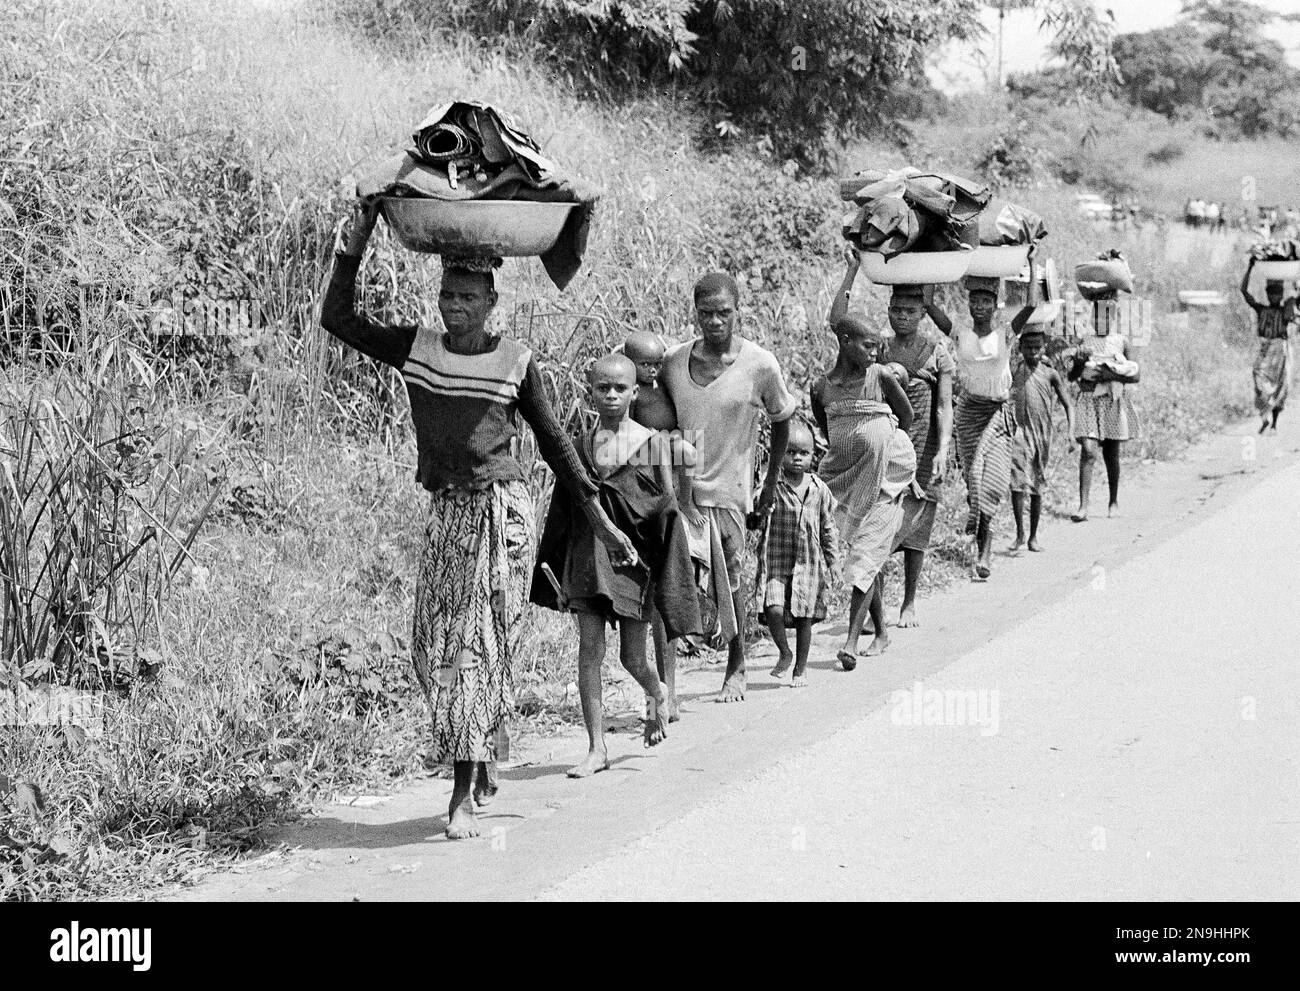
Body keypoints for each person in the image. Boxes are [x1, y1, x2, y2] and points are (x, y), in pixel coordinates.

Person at [321, 202, 638, 839]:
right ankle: (484, 735)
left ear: (491, 300)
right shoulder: (418, 348)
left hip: (500, 515)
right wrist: (352, 246)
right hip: (446, 510)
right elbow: (338, 319)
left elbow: (557, 447)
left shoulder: (516, 362)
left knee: (475, 644)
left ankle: (462, 792)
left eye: (467, 295)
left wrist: (601, 523)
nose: (453, 305)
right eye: (447, 292)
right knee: (432, 644)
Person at [531, 354, 701, 777]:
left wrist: (668, 572)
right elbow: (565, 508)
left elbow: (666, 508)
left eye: (619, 388)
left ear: (634, 392)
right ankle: (596, 747)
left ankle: (657, 689)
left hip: (633, 564)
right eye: (601, 388)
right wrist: (559, 565)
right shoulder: (580, 444)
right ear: (590, 391)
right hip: (588, 559)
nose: (610, 395)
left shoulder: (653, 444)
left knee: (631, 657)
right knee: (589, 649)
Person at [660, 272, 797, 703]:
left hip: (730, 494)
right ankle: (666, 689)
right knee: (671, 585)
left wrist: (768, 483)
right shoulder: (673, 362)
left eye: (724, 313)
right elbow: (654, 417)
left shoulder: (760, 365)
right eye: (706, 313)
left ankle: (735, 667)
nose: (715, 322)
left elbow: (782, 421)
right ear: (695, 312)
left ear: (738, 310)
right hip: (681, 494)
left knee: (731, 581)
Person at [830, 251, 954, 628]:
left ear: (922, 314)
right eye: (896, 309)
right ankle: (872, 610)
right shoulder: (875, 346)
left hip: (923, 444)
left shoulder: (936, 352)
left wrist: (943, 450)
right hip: (883, 450)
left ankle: (909, 602)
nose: (902, 316)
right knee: (874, 526)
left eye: (911, 311)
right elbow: (838, 322)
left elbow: (944, 406)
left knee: (917, 525)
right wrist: (853, 269)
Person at [812, 316, 915, 666]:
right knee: (864, 559)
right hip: (846, 480)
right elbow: (831, 434)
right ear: (844, 341)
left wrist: (880, 444)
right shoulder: (822, 388)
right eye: (867, 345)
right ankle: (882, 631)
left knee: (863, 558)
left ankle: (851, 643)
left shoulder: (881, 377)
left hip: (886, 481)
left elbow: (907, 417)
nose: (875, 352)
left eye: (877, 346)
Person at [623, 330, 691, 720]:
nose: (651, 370)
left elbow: (671, 445)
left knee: (665, 608)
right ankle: (655, 697)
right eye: (643, 364)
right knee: (643, 615)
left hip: (665, 492)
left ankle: (670, 696)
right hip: (638, 497)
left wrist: (677, 497)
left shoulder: (663, 389)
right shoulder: (629, 397)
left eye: (655, 364)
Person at [756, 421, 838, 688]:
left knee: (805, 618)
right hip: (778, 562)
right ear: (779, 453)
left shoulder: (818, 489)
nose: (797, 458)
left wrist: (833, 562)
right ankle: (784, 651)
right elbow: (756, 506)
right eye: (790, 452)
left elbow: (828, 528)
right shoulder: (773, 485)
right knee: (773, 608)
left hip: (808, 564)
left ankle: (800, 669)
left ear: (814, 455)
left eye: (803, 453)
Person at [948, 275, 1017, 580]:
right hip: (968, 413)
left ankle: (983, 538)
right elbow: (929, 306)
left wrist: (1029, 261)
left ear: (995, 305)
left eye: (986, 301)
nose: (979, 306)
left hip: (997, 413)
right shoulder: (961, 334)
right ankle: (982, 547)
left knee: (993, 480)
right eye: (975, 301)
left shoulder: (1005, 334)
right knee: (973, 478)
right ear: (969, 304)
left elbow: (1031, 304)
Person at [1067, 288, 1142, 521]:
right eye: (1098, 316)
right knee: (1088, 451)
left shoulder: (1121, 342)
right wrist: (1079, 363)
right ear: (1091, 317)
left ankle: (1113, 501)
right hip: (1088, 400)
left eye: (1107, 316)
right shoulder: (1084, 342)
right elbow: (1072, 377)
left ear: (1114, 318)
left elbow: (1135, 374)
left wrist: (1110, 376)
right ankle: (1083, 506)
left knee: (1111, 452)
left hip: (1111, 401)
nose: (1102, 320)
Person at [1009, 329, 1074, 552]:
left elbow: (1068, 404)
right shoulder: (1016, 370)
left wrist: (1071, 432)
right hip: (1018, 433)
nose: (1033, 352)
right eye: (1028, 348)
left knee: (1037, 484)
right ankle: (1019, 532)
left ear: (1043, 348)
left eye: (1037, 348)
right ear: (1021, 349)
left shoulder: (1050, 374)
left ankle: (1033, 536)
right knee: (1017, 482)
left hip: (1042, 435)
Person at [1240, 257, 1298, 434]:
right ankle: (1264, 417)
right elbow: (1244, 291)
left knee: (1281, 385)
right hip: (1265, 351)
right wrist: (1250, 268)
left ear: (1281, 295)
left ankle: (1274, 423)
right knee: (1258, 377)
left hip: (1280, 352)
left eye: (1277, 294)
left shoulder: (1286, 310)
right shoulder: (1261, 309)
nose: (1274, 297)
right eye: (1271, 293)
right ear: (1267, 294)